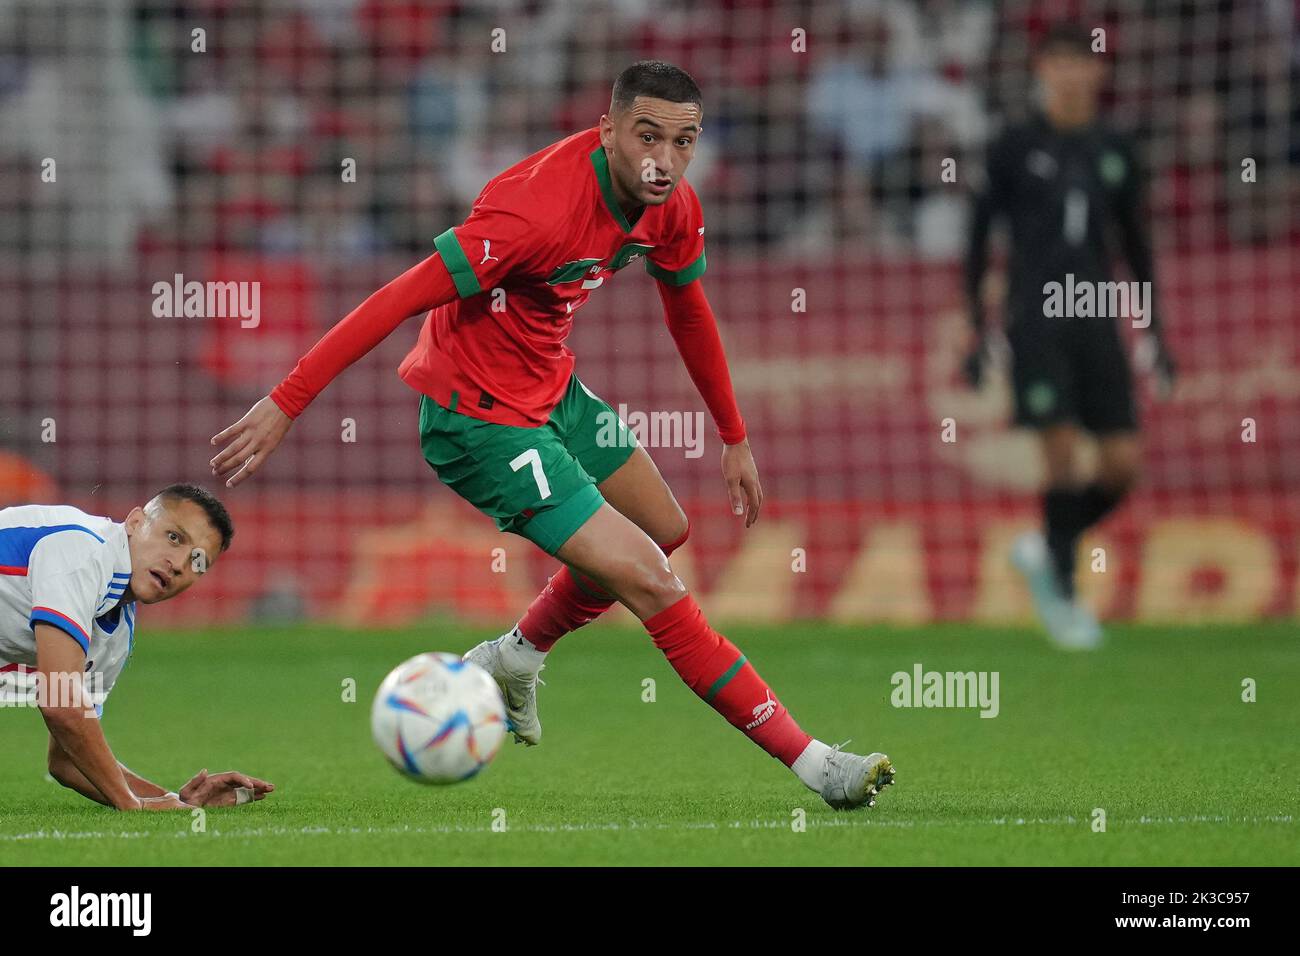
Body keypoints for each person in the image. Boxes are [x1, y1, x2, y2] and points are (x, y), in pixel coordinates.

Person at [210, 61, 894, 810]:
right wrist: (287, 400)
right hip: (477, 418)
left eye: (684, 141)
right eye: (647, 136)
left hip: (550, 388)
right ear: (608, 131)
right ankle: (816, 763)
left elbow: (688, 311)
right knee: (651, 580)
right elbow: (398, 298)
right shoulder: (533, 212)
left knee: (663, 528)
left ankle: (517, 655)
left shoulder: (671, 206)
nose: (663, 160)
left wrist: (733, 435)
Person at [964, 24, 1177, 649]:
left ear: (1098, 73)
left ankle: (1045, 545)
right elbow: (979, 240)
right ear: (1043, 71)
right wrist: (979, 329)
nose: (1071, 74)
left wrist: (1155, 327)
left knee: (1122, 464)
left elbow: (1136, 244)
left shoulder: (1115, 147)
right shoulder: (1012, 144)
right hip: (1035, 320)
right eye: (1059, 62)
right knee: (1059, 452)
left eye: (1082, 62)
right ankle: (1063, 594)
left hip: (1098, 318)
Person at [0, 484, 274, 810]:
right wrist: (133, 805)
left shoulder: (118, 633)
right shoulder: (82, 552)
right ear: (134, 523)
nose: (178, 564)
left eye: (197, 561)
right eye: (174, 537)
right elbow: (61, 704)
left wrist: (175, 801)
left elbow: (68, 761)